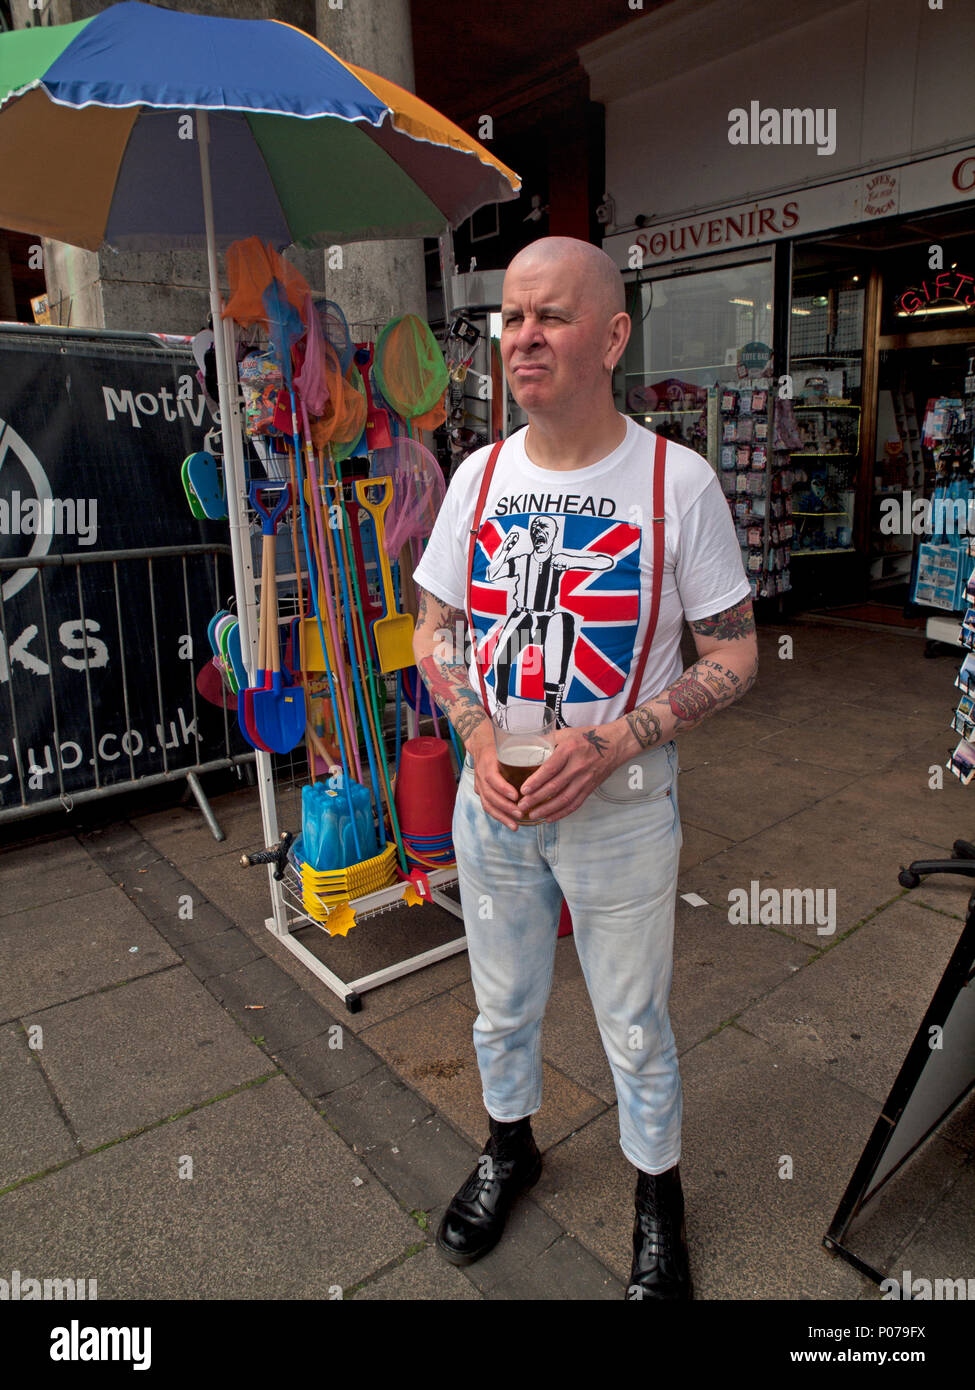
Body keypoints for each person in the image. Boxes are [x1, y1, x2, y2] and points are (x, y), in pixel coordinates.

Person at [412, 236, 758, 1300]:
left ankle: (659, 1193)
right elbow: (434, 627)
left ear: (611, 336)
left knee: (633, 1019)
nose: (524, 337)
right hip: (495, 802)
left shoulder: (677, 482)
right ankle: (508, 1146)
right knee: (499, 1003)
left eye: (550, 316)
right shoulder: (478, 475)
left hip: (621, 810)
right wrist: (472, 733)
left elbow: (736, 650)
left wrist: (616, 739)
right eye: (511, 317)